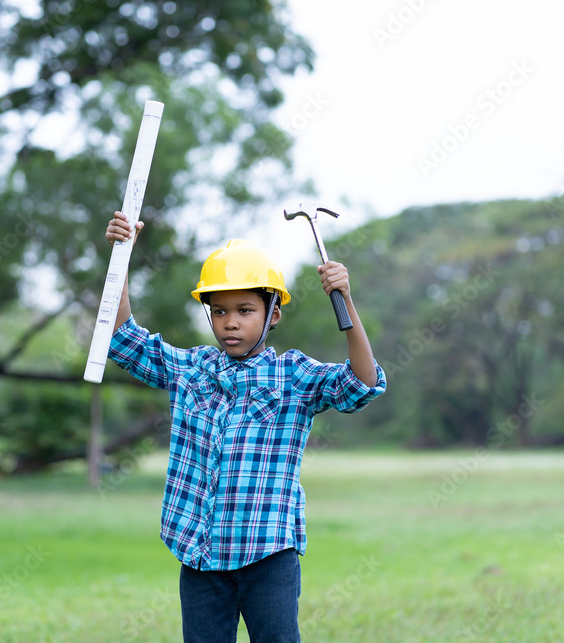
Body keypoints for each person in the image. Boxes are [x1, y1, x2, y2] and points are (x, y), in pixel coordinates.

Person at [105, 211, 387, 642]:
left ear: (273, 314)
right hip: (200, 555)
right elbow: (123, 337)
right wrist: (120, 257)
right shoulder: (193, 369)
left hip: (267, 555)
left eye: (244, 310)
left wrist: (344, 299)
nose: (230, 322)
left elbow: (362, 383)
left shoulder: (293, 377)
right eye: (219, 311)